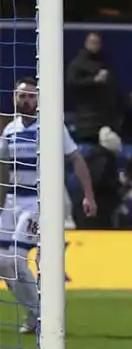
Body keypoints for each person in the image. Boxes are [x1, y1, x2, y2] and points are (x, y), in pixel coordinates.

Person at [0, 77, 97, 334]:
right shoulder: (9, 130)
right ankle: (35, 314)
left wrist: (88, 194)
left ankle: (42, 316)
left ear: (39, 98)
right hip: (12, 201)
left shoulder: (52, 126)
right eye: (22, 96)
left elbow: (75, 158)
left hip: (37, 200)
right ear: (15, 98)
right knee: (3, 263)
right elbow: (3, 169)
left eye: (31, 96)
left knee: (18, 261)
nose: (27, 100)